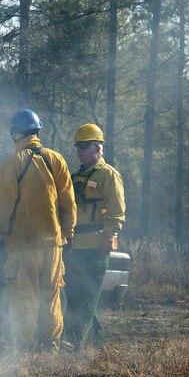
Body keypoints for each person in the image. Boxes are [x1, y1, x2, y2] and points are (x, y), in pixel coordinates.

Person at [0, 109, 76, 353]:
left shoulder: (12, 164)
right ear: (37, 131)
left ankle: (24, 352)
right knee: (51, 299)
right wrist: (69, 234)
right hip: (52, 245)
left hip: (21, 246)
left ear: (15, 134)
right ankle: (50, 350)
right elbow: (68, 203)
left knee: (23, 300)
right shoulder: (56, 160)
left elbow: (4, 206)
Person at [62, 123, 126, 349]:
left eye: (83, 146)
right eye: (77, 146)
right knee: (76, 299)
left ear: (97, 147)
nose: (78, 150)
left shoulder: (108, 175)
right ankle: (100, 348)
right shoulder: (75, 176)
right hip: (74, 248)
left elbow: (118, 211)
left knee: (87, 300)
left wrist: (108, 236)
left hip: (96, 247)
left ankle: (73, 347)